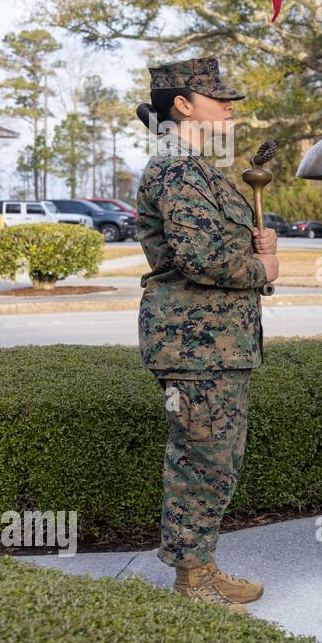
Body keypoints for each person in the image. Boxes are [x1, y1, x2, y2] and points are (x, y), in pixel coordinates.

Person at [135, 56, 280, 614]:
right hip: (194, 345)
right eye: (218, 98)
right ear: (183, 106)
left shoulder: (195, 166)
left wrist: (254, 250)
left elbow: (211, 248)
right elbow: (199, 257)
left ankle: (201, 566)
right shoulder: (177, 167)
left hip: (214, 344)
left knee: (216, 458)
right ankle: (191, 582)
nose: (229, 106)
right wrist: (259, 269)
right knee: (201, 459)